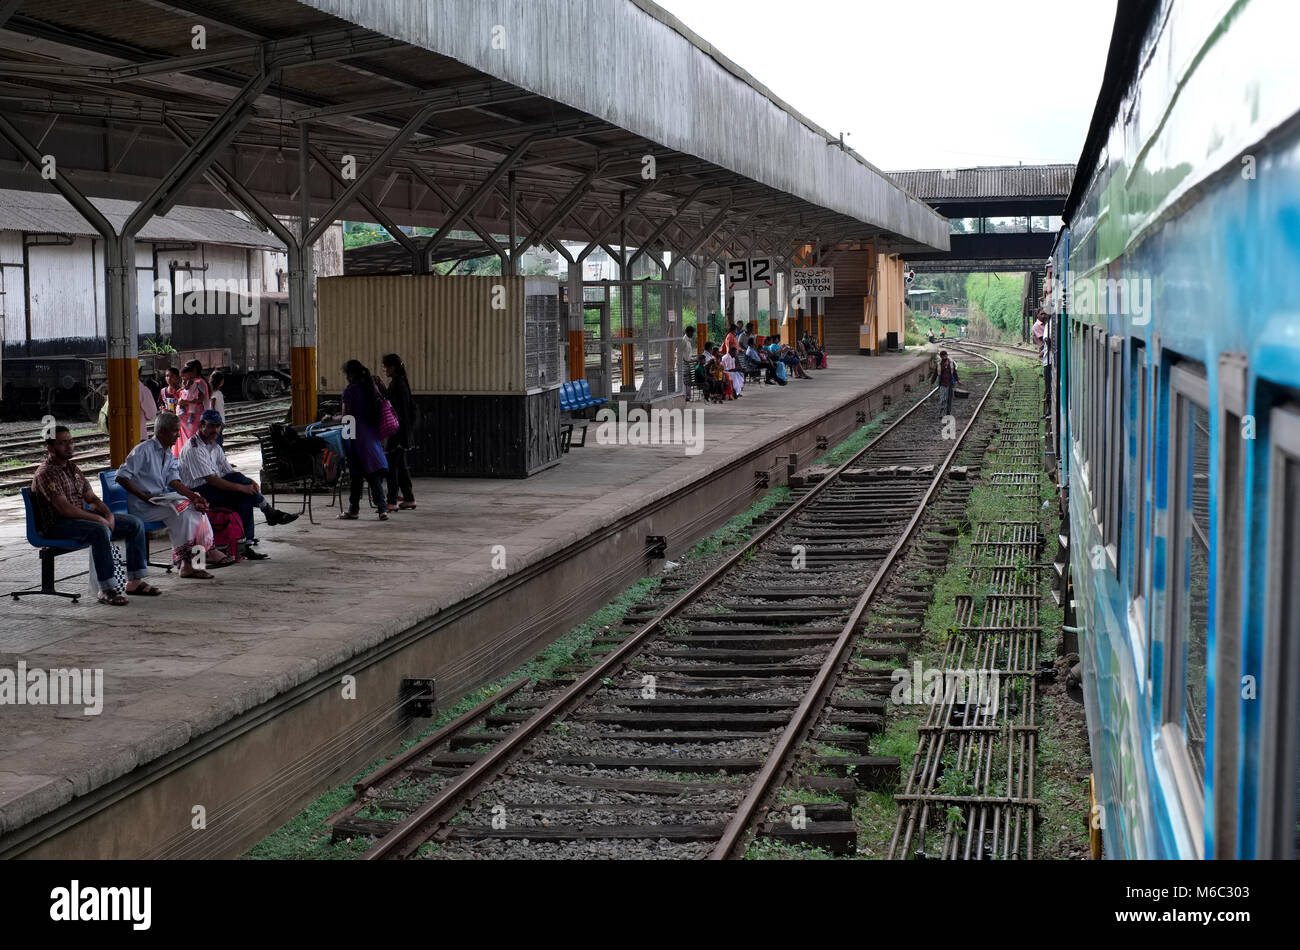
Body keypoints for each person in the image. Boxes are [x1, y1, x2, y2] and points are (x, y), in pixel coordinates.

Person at [32, 426, 160, 605]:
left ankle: (135, 581)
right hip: (58, 524)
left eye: (71, 441)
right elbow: (65, 510)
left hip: (79, 519)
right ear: (50, 448)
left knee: (135, 524)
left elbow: (91, 498)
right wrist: (99, 519)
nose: (69, 446)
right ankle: (106, 589)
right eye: (62, 443)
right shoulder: (46, 473)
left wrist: (108, 515)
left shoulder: (72, 468)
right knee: (99, 531)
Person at [116, 412, 231, 578]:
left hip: (159, 503)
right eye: (175, 431)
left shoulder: (168, 453)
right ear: (162, 431)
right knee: (185, 513)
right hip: (143, 506)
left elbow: (174, 482)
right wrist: (144, 497)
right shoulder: (143, 450)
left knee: (197, 511)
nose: (178, 435)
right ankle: (191, 563)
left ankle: (193, 563)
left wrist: (194, 497)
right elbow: (122, 476)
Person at [179, 409, 298, 559]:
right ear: (202, 425)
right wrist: (243, 486)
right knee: (242, 488)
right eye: (212, 426)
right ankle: (268, 511)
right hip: (198, 492)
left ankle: (246, 545)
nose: (215, 430)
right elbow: (212, 479)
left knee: (245, 496)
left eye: (218, 426)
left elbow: (229, 473)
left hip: (213, 488)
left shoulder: (215, 447)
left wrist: (249, 483)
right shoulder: (194, 447)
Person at [337, 359, 390, 520]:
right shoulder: (371, 388)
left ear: (351, 375)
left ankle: (353, 510)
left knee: (356, 476)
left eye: (346, 374)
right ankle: (382, 509)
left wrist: (331, 418)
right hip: (373, 435)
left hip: (356, 436)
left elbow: (346, 417)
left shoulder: (350, 390)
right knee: (373, 474)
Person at [379, 353, 416, 510]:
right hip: (403, 431)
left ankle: (391, 501)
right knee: (401, 467)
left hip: (396, 432)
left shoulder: (397, 384)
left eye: (386, 367)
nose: (385, 369)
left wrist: (380, 387)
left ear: (392, 368)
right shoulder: (401, 383)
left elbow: (390, 405)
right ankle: (409, 498)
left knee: (391, 468)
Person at [173, 359, 211, 458]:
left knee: (193, 438)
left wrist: (186, 402)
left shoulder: (199, 382)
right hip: (186, 417)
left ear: (193, 370)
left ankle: (192, 457)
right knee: (188, 439)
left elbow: (201, 399)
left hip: (195, 417)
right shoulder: (192, 382)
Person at [930, 350, 960, 418]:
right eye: (942, 356)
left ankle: (948, 413)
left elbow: (955, 373)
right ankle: (941, 413)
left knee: (949, 399)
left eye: (945, 355)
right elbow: (935, 375)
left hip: (950, 384)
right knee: (943, 399)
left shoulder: (951, 364)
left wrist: (958, 380)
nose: (944, 357)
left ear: (947, 355)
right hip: (943, 384)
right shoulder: (939, 365)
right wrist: (932, 383)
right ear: (940, 356)